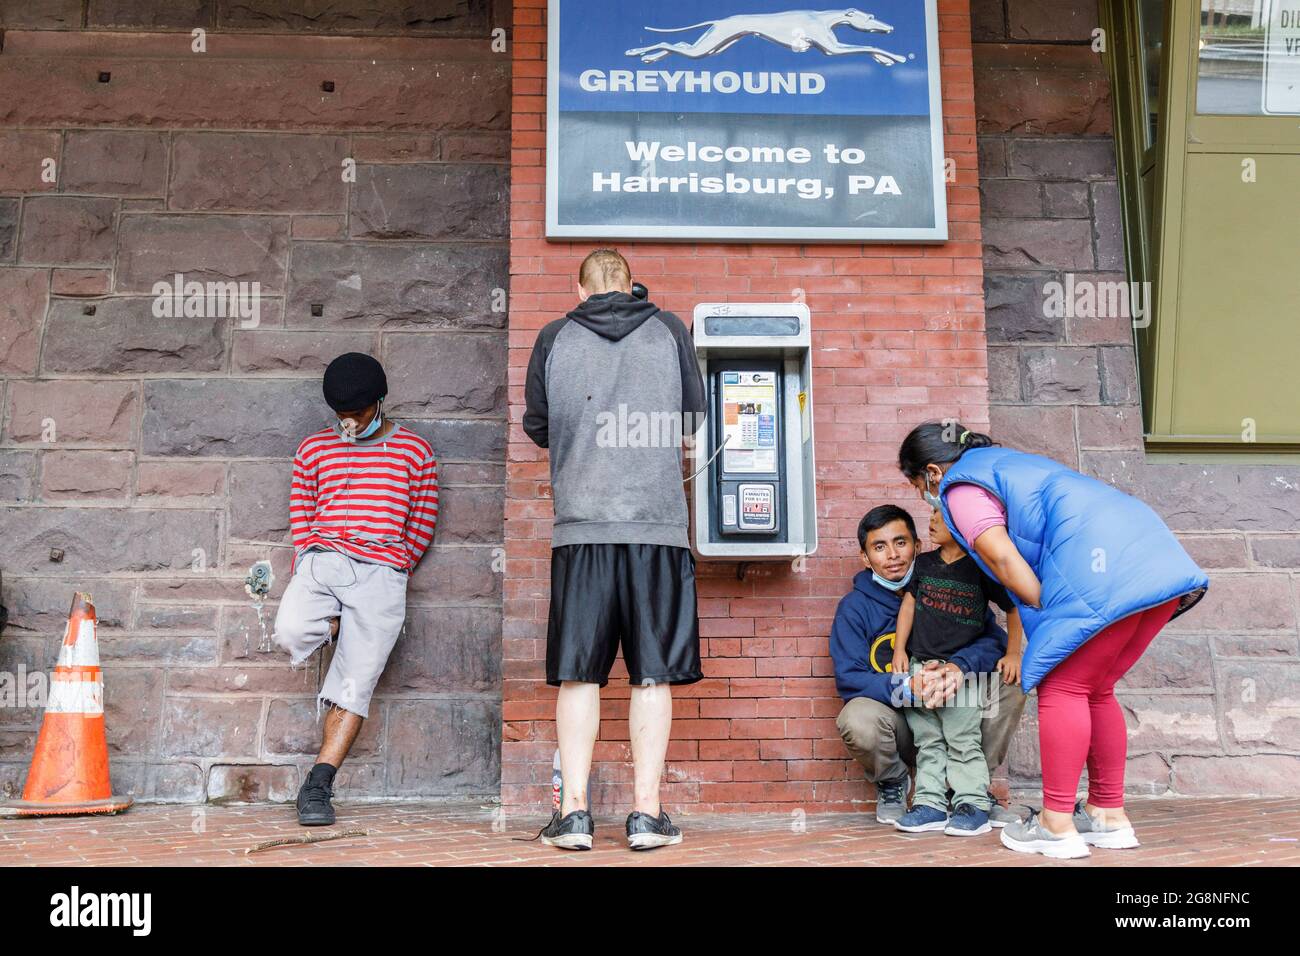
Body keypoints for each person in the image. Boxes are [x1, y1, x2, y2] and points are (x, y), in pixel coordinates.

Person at [897, 421, 1208, 858]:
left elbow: (1003, 559)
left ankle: (1057, 824)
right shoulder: (1007, 464)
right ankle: (1107, 815)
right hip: (1154, 558)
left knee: (1063, 686)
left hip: (1100, 570)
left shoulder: (960, 488)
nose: (924, 497)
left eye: (916, 485)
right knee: (1097, 691)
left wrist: (1051, 612)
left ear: (932, 471)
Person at [523, 249, 706, 851]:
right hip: (657, 527)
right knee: (652, 675)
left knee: (579, 674)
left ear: (579, 288)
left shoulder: (554, 337)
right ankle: (647, 816)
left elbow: (539, 425)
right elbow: (693, 418)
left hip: (582, 528)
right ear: (631, 286)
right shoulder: (670, 328)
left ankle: (574, 814)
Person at [272, 353, 439, 826]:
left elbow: (423, 518)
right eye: (340, 415)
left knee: (354, 682)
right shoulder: (313, 450)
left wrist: (398, 565)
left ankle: (318, 786)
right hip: (323, 562)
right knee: (288, 631)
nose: (349, 422)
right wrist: (307, 555)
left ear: (380, 402)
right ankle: (338, 623)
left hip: (382, 571)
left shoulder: (414, 452)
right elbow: (301, 510)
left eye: (359, 413)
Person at [830, 505, 1027, 828]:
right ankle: (894, 783)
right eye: (879, 547)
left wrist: (959, 667)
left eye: (901, 542)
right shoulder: (854, 608)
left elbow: (993, 640)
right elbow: (850, 678)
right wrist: (908, 688)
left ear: (918, 545)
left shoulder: (952, 582)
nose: (892, 555)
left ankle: (969, 789)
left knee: (1013, 680)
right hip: (901, 719)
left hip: (956, 701)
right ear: (866, 558)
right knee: (857, 717)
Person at [890, 508, 1025, 837]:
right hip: (922, 667)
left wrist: (1013, 653)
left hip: (962, 673)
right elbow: (909, 604)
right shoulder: (922, 564)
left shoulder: (983, 567)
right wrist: (899, 650)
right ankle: (929, 803)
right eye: (932, 513)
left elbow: (1013, 607)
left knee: (963, 739)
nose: (931, 520)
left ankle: (972, 803)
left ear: (963, 522)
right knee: (928, 739)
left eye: (939, 515)